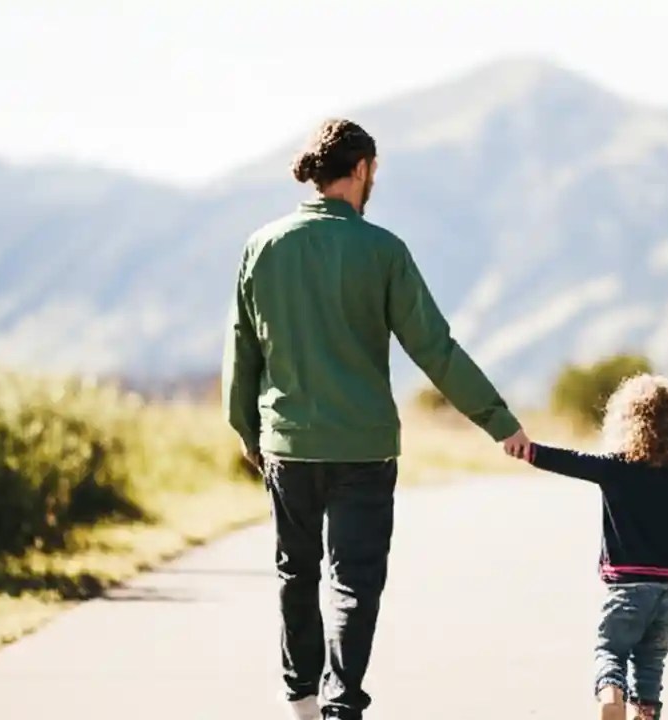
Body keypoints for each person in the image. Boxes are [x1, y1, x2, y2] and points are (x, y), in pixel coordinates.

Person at [222, 118, 531, 720]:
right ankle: (343, 703)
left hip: (288, 443)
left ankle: (303, 701)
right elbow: (435, 349)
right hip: (363, 448)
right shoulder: (383, 250)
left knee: (296, 574)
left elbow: (243, 349)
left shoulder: (262, 246)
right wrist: (500, 422)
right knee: (355, 583)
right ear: (361, 170)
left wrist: (248, 432)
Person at [514, 374, 668, 720]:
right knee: (651, 664)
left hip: (628, 588)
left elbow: (570, 460)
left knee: (611, 650)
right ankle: (645, 713)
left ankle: (611, 695)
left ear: (626, 423)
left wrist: (530, 451)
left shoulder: (615, 469)